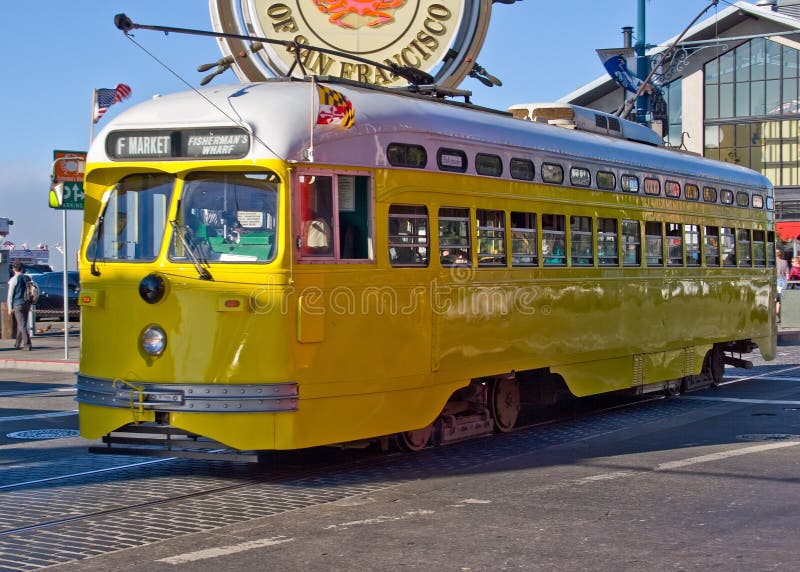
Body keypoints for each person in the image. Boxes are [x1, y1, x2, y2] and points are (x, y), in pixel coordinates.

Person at [6, 262, 32, 351]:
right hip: (27, 303)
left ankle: (27, 344)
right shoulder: (27, 278)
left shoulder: (14, 279)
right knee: (22, 324)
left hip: (18, 304)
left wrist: (9, 308)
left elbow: (10, 295)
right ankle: (17, 343)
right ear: (22, 269)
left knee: (21, 325)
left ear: (13, 269)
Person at [776, 249, 789, 322]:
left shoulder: (772, 262)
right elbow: (787, 274)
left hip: (775, 281)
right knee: (781, 300)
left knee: (776, 299)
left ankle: (777, 314)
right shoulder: (785, 262)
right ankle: (780, 315)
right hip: (782, 281)